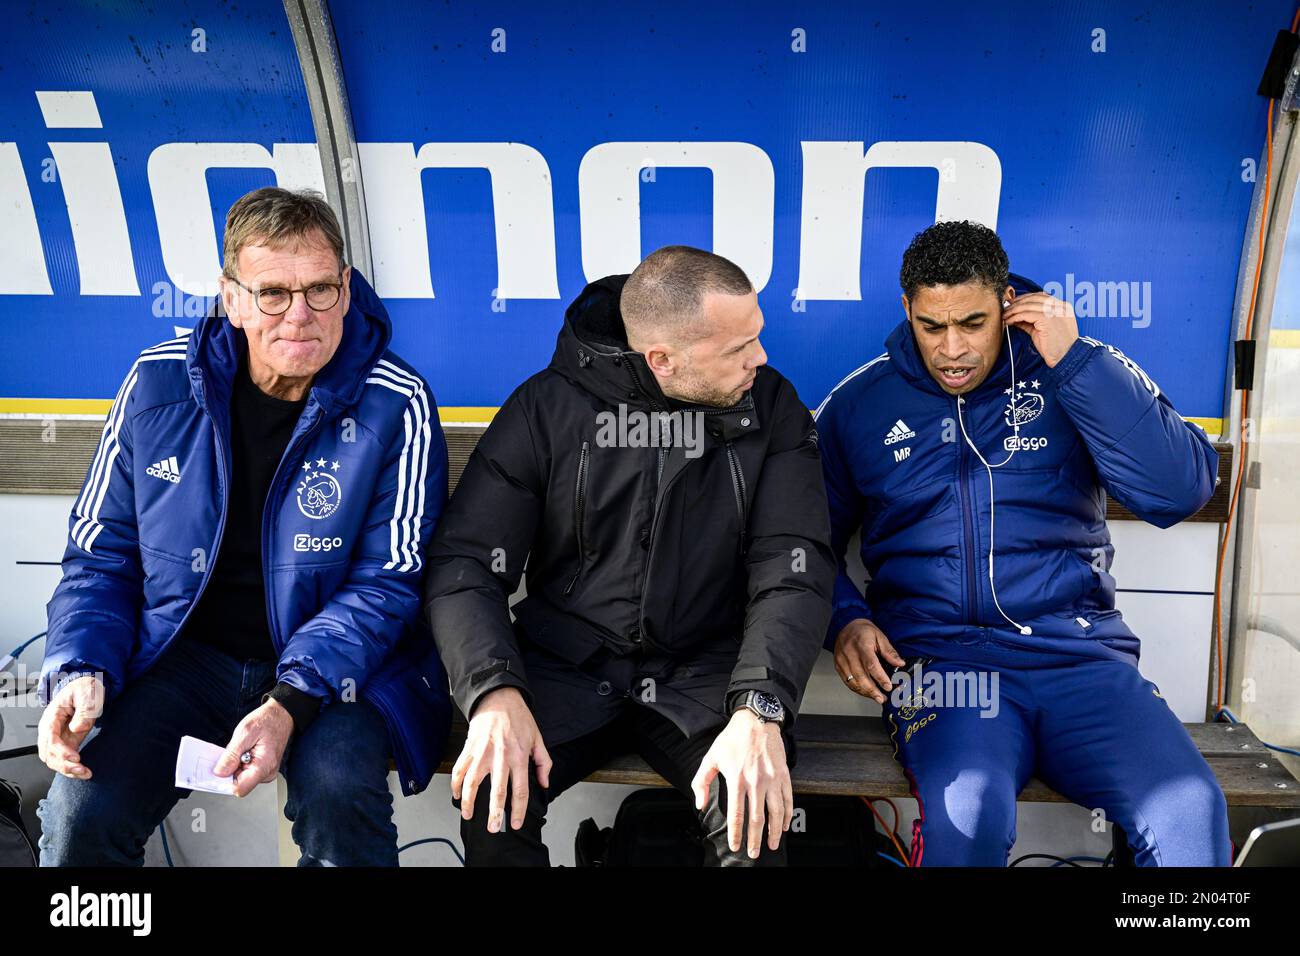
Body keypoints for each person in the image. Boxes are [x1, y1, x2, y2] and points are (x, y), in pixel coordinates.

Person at [36, 187, 451, 866]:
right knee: (83, 816)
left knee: (339, 794)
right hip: (182, 658)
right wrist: (82, 666)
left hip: (337, 674)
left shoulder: (394, 402)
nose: (301, 316)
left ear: (346, 289)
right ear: (230, 298)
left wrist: (289, 699)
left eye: (320, 289)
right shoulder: (157, 382)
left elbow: (388, 586)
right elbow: (100, 557)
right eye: (272, 294)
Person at [815, 220, 1231, 866]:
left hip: (1081, 661)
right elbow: (803, 542)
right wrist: (845, 620)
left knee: (1190, 814)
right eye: (933, 326)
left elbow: (1176, 493)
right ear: (908, 310)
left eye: (974, 323)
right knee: (967, 819)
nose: (953, 348)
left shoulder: (1077, 368)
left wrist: (1077, 363)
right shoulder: (861, 403)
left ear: (1008, 303)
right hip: (943, 670)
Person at [424, 245, 834, 865]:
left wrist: (760, 706)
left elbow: (792, 569)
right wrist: (492, 692)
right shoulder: (546, 406)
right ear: (662, 359)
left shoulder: (772, 408)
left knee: (754, 817)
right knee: (493, 801)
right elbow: (466, 563)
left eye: (757, 336)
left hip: (707, 675)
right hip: (564, 666)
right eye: (737, 348)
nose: (761, 358)